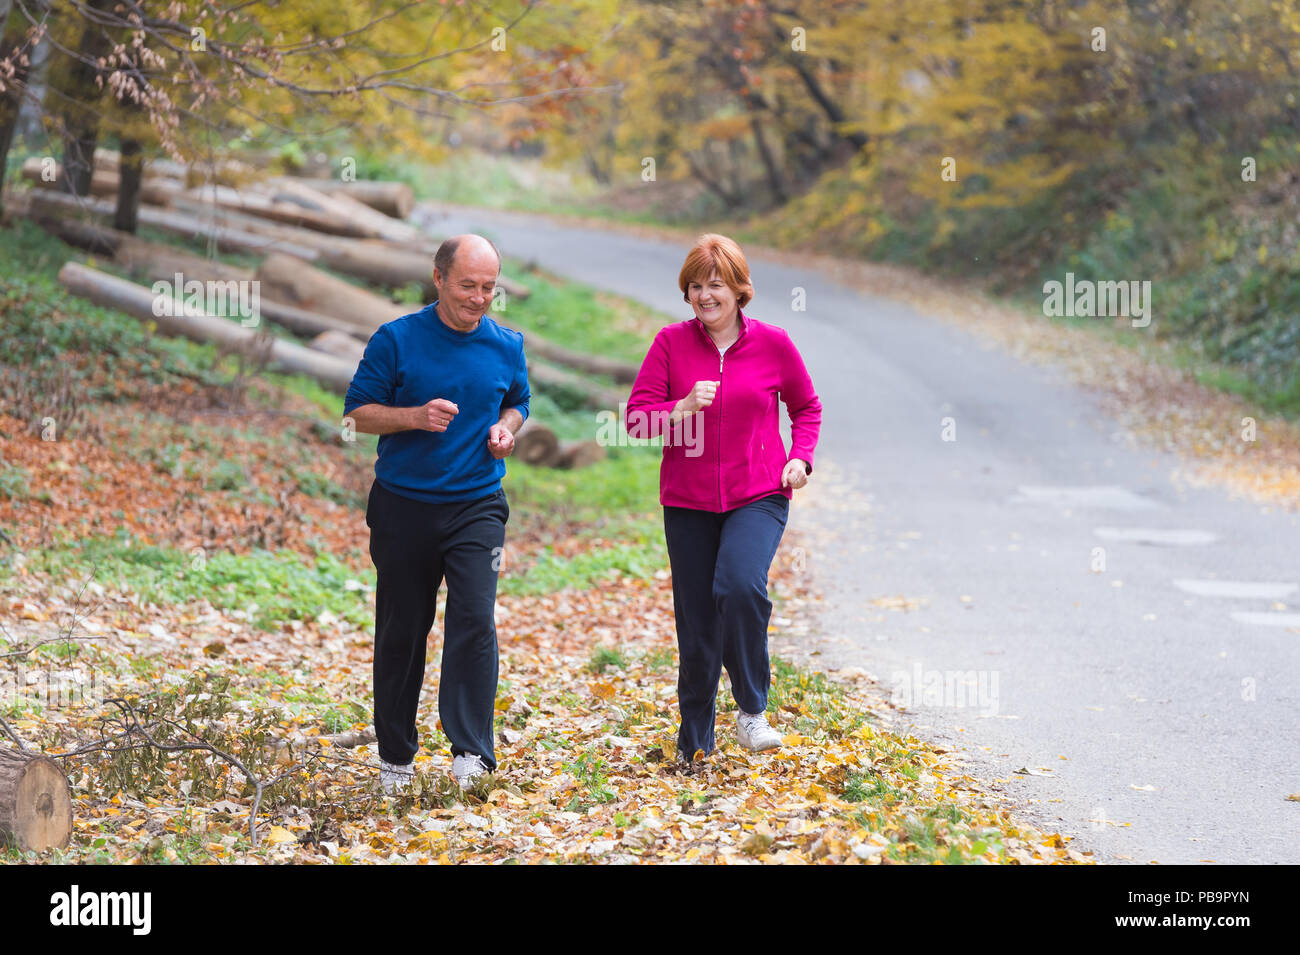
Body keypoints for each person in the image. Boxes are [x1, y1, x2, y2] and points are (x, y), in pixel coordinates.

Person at [624, 233, 822, 767]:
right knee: (695, 618)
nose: (704, 296)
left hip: (758, 492)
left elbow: (807, 407)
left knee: (738, 587)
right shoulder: (670, 343)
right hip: (687, 501)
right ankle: (694, 740)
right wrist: (682, 406)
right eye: (694, 287)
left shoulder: (773, 344)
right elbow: (635, 421)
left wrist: (799, 458)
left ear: (739, 290)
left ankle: (752, 709)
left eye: (715, 285)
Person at [343, 233, 530, 793]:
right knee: (403, 628)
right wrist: (414, 417)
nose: (478, 298)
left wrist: (506, 429)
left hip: (477, 505)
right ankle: (395, 757)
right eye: (468, 286)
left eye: (489, 289)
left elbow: (517, 401)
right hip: (404, 507)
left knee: (474, 619)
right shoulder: (397, 339)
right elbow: (357, 415)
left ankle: (472, 751)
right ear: (439, 278)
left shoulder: (507, 344)